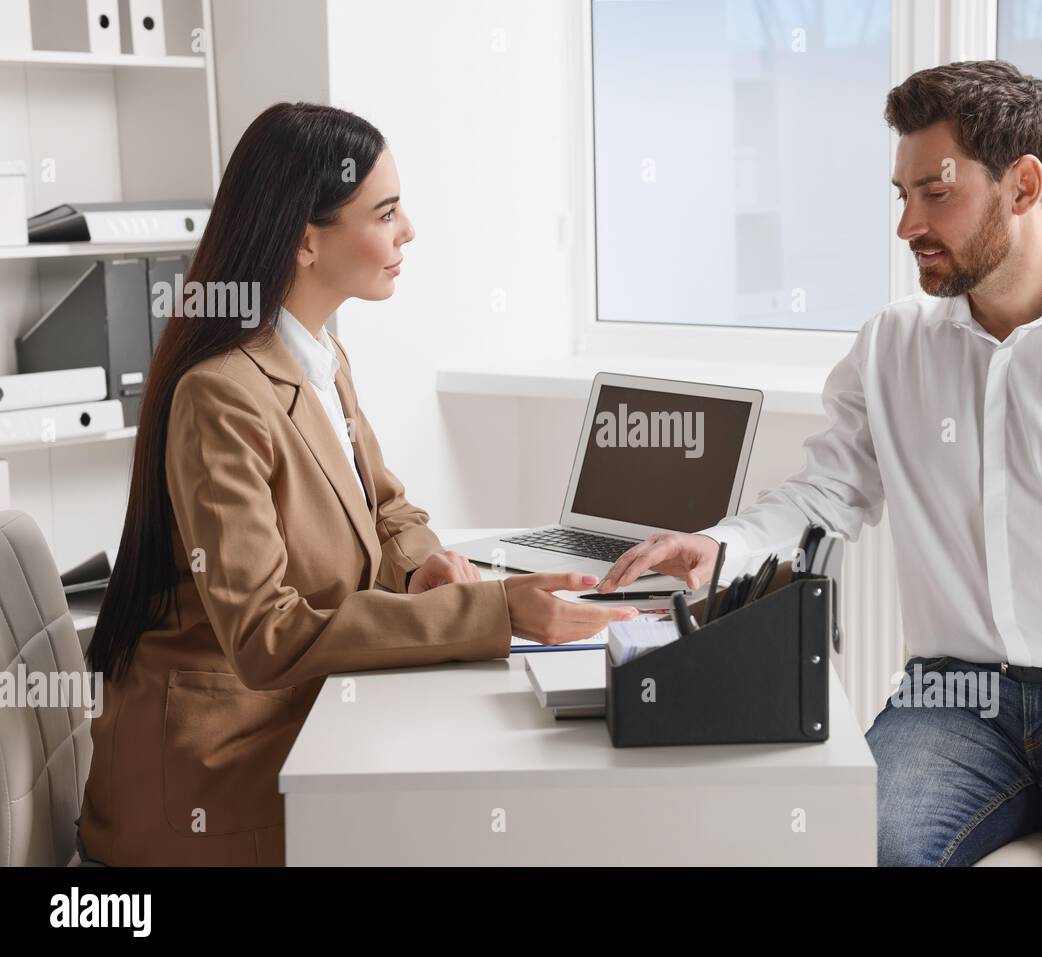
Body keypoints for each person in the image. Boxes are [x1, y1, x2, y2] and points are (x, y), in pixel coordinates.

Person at [596, 60, 1042, 866]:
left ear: (1022, 186)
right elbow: (830, 490)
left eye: (936, 192)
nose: (907, 226)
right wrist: (726, 546)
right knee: (861, 851)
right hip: (951, 699)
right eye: (903, 196)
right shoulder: (894, 344)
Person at [78, 102, 637, 866]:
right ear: (306, 240)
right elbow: (266, 635)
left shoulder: (321, 357)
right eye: (386, 211)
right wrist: (488, 610)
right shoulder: (220, 396)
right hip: (217, 771)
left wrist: (419, 567)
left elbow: (389, 508)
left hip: (299, 722)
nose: (409, 230)